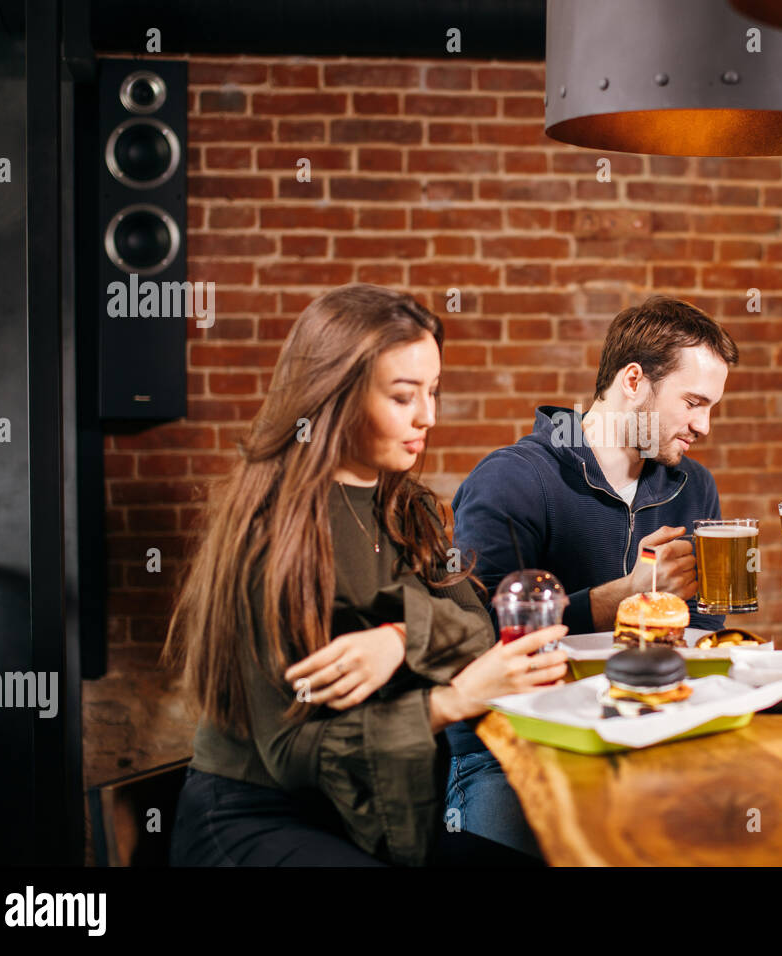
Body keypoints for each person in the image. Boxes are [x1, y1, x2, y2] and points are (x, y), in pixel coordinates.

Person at [162, 284, 569, 866]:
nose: (428, 416)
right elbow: (292, 750)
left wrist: (398, 640)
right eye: (404, 396)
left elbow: (480, 628)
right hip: (258, 818)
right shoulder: (272, 530)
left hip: (375, 809)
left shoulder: (414, 512)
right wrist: (450, 701)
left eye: (433, 391)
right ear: (336, 395)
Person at [444, 294, 741, 855]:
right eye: (694, 402)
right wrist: (620, 599)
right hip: (511, 747)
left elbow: (700, 625)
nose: (703, 426)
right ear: (634, 381)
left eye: (711, 407)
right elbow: (472, 639)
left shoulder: (692, 486)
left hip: (648, 729)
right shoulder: (513, 479)